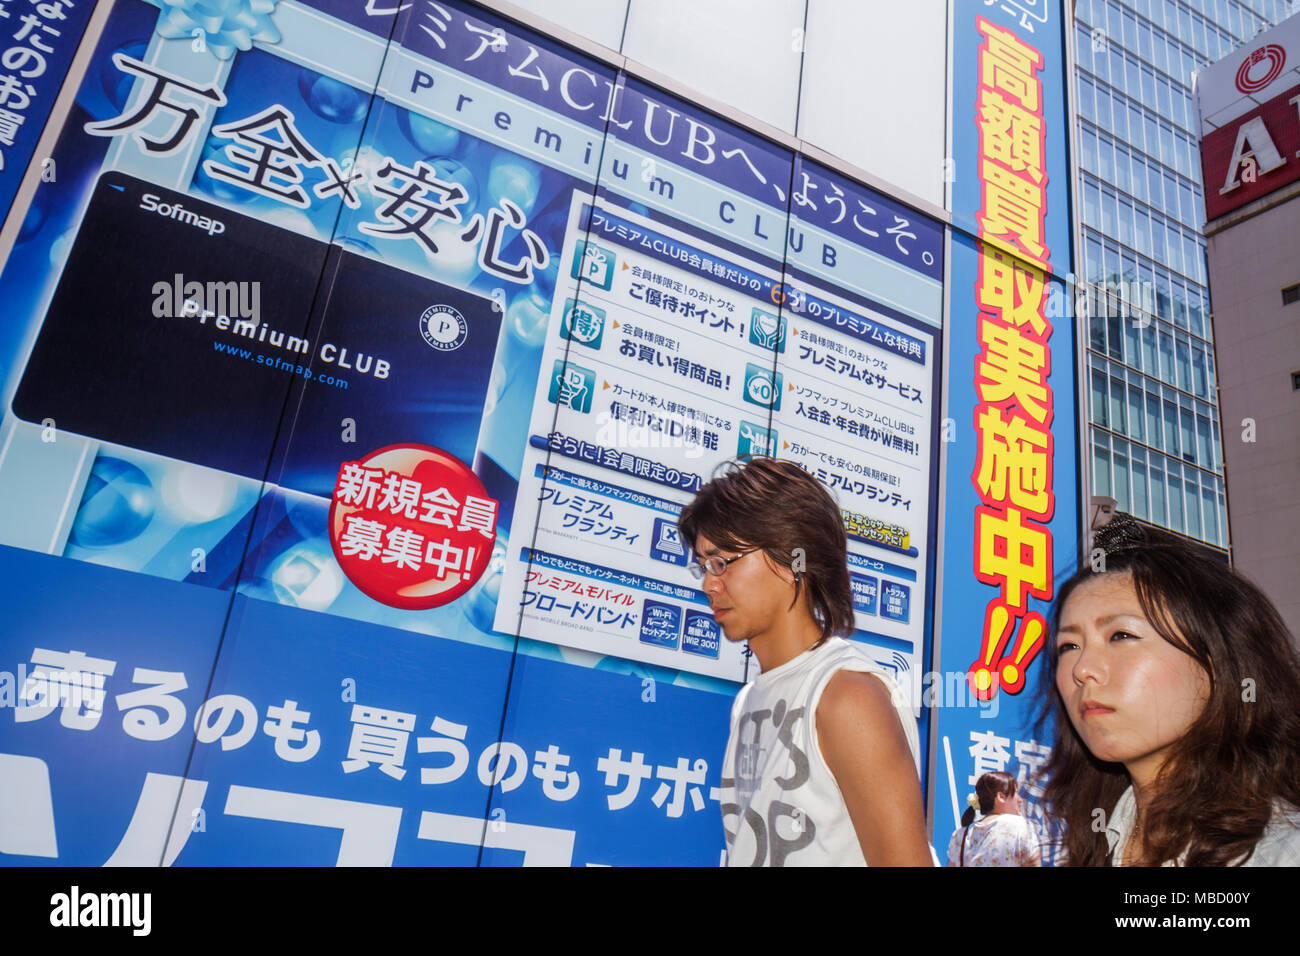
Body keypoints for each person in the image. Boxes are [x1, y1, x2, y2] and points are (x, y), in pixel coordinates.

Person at [678, 457, 932, 866]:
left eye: (723, 561)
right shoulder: (747, 702)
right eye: (704, 565)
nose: (709, 583)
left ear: (792, 557)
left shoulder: (847, 696)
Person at [1041, 514, 1300, 866]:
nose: (1083, 670)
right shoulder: (1091, 845)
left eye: (1121, 635)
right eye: (1068, 646)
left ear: (1217, 661)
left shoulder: (1281, 852)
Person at [946, 771, 1041, 866]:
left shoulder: (961, 835)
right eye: (1016, 793)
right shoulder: (1021, 827)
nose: (1020, 800)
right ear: (1001, 797)